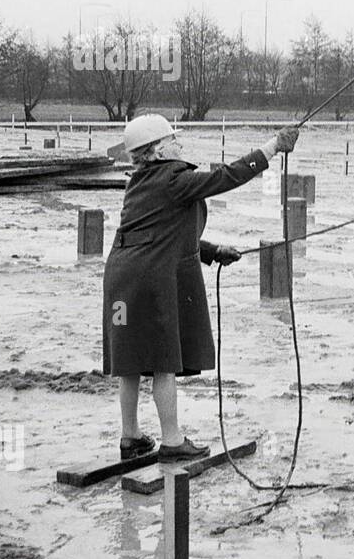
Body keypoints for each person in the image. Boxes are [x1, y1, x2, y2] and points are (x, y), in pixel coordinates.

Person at [102, 114, 300, 461]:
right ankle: (173, 440)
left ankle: (130, 437)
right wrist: (273, 147)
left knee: (130, 361)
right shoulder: (173, 178)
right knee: (164, 360)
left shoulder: (140, 181)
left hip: (121, 279)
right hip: (150, 279)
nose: (179, 144)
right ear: (160, 149)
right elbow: (228, 176)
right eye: (173, 140)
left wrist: (211, 252)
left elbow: (161, 230)